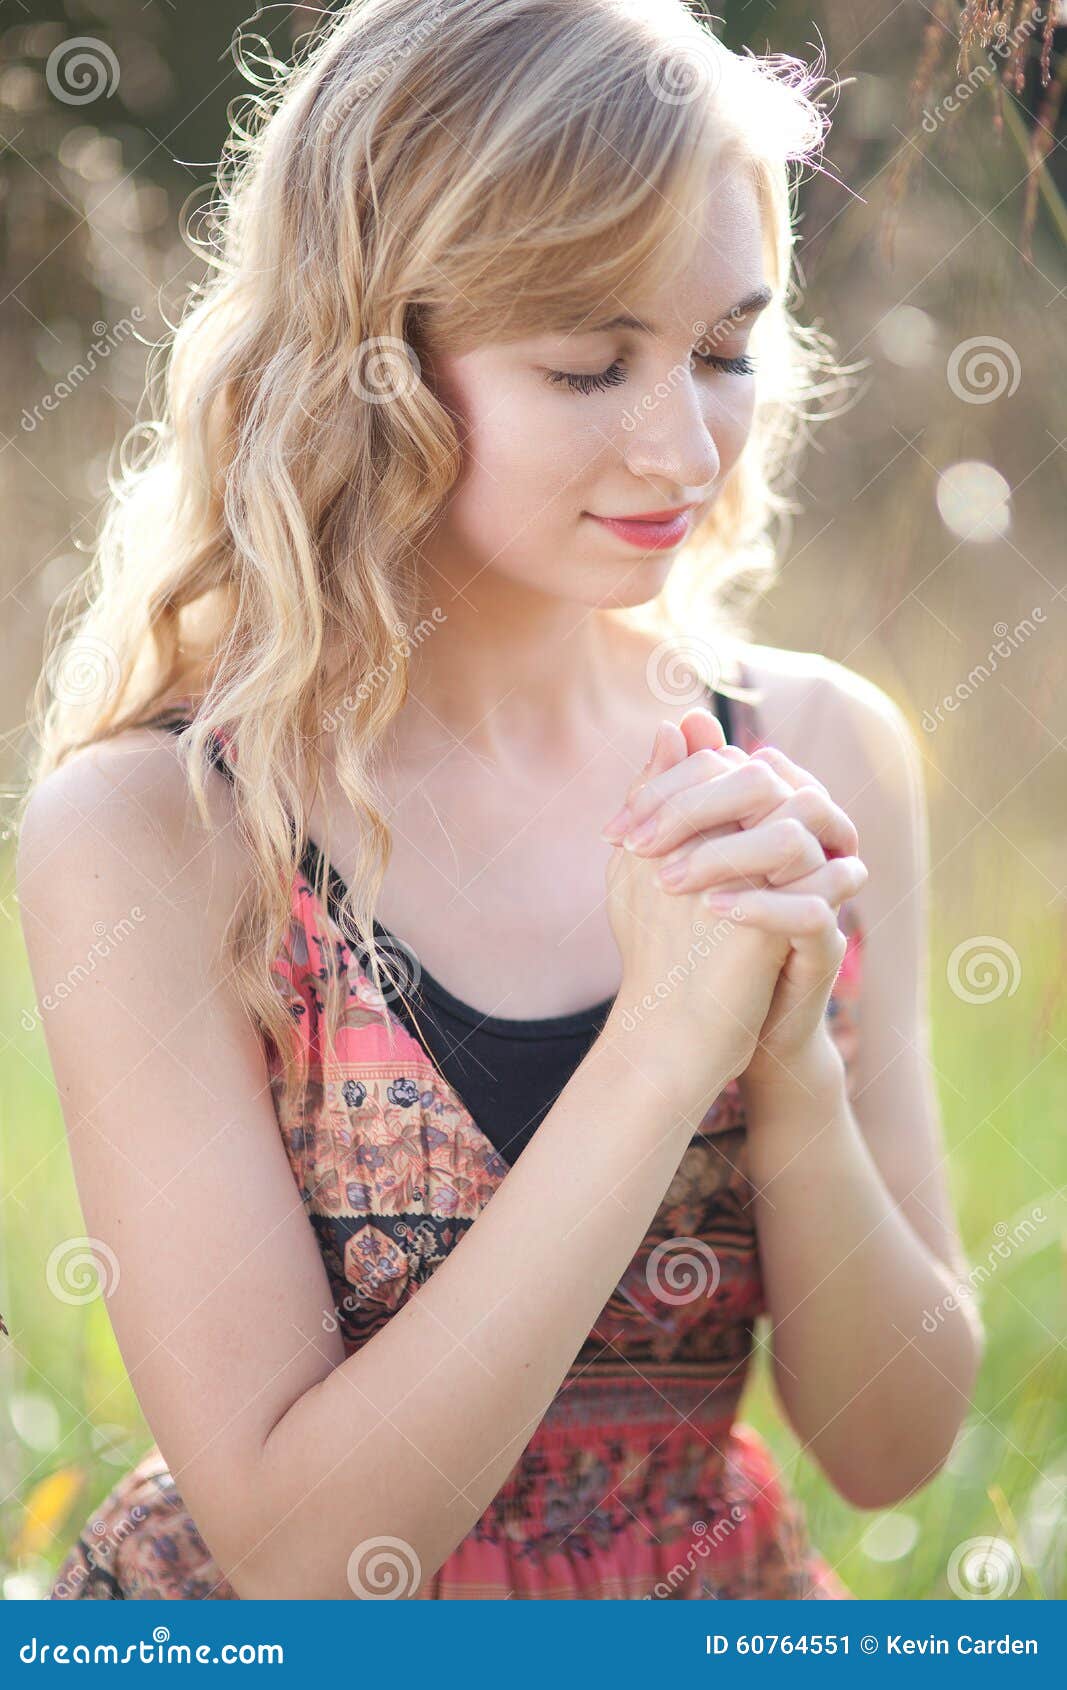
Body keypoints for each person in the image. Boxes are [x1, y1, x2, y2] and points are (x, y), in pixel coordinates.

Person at [15, 0, 980, 1600]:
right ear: (371, 365)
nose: (684, 450)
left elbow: (896, 1445)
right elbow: (308, 1554)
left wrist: (794, 1066)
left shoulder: (814, 748)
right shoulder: (160, 830)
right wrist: (660, 1049)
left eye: (726, 352)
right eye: (589, 366)